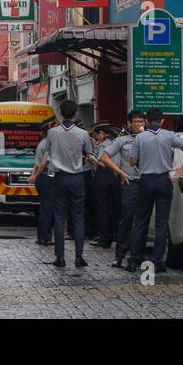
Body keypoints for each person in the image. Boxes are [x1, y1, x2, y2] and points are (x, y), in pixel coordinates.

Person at [128, 108, 183, 273]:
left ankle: (134, 259)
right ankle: (158, 261)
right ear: (162, 121)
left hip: (146, 181)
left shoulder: (140, 137)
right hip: (164, 180)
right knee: (161, 222)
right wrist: (181, 169)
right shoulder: (169, 135)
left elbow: (132, 161)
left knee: (140, 221)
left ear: (146, 121)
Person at [30, 99, 95, 268]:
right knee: (78, 217)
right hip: (77, 178)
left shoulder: (52, 133)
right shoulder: (82, 134)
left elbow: (49, 153)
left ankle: (60, 257)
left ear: (60, 114)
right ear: (76, 114)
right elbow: (88, 153)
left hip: (58, 178)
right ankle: (79, 257)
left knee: (59, 217)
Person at [98, 110, 145, 268]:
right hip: (130, 183)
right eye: (136, 122)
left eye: (142, 121)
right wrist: (120, 172)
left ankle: (137, 256)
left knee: (141, 221)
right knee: (127, 219)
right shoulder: (122, 140)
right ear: (130, 123)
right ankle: (119, 256)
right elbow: (104, 157)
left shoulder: (150, 139)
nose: (139, 124)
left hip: (146, 183)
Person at [89, 124, 120, 249]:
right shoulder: (115, 143)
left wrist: (92, 159)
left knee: (102, 208)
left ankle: (104, 238)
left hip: (103, 176)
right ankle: (112, 234)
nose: (95, 137)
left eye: (96, 134)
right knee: (113, 207)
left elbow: (102, 163)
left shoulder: (103, 145)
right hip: (114, 177)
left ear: (102, 133)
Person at [33, 121, 55, 246]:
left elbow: (36, 164)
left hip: (42, 177)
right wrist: (35, 175)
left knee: (44, 208)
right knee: (47, 208)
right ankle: (45, 237)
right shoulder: (48, 144)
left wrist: (34, 175)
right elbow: (44, 163)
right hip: (47, 176)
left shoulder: (41, 143)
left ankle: (42, 236)